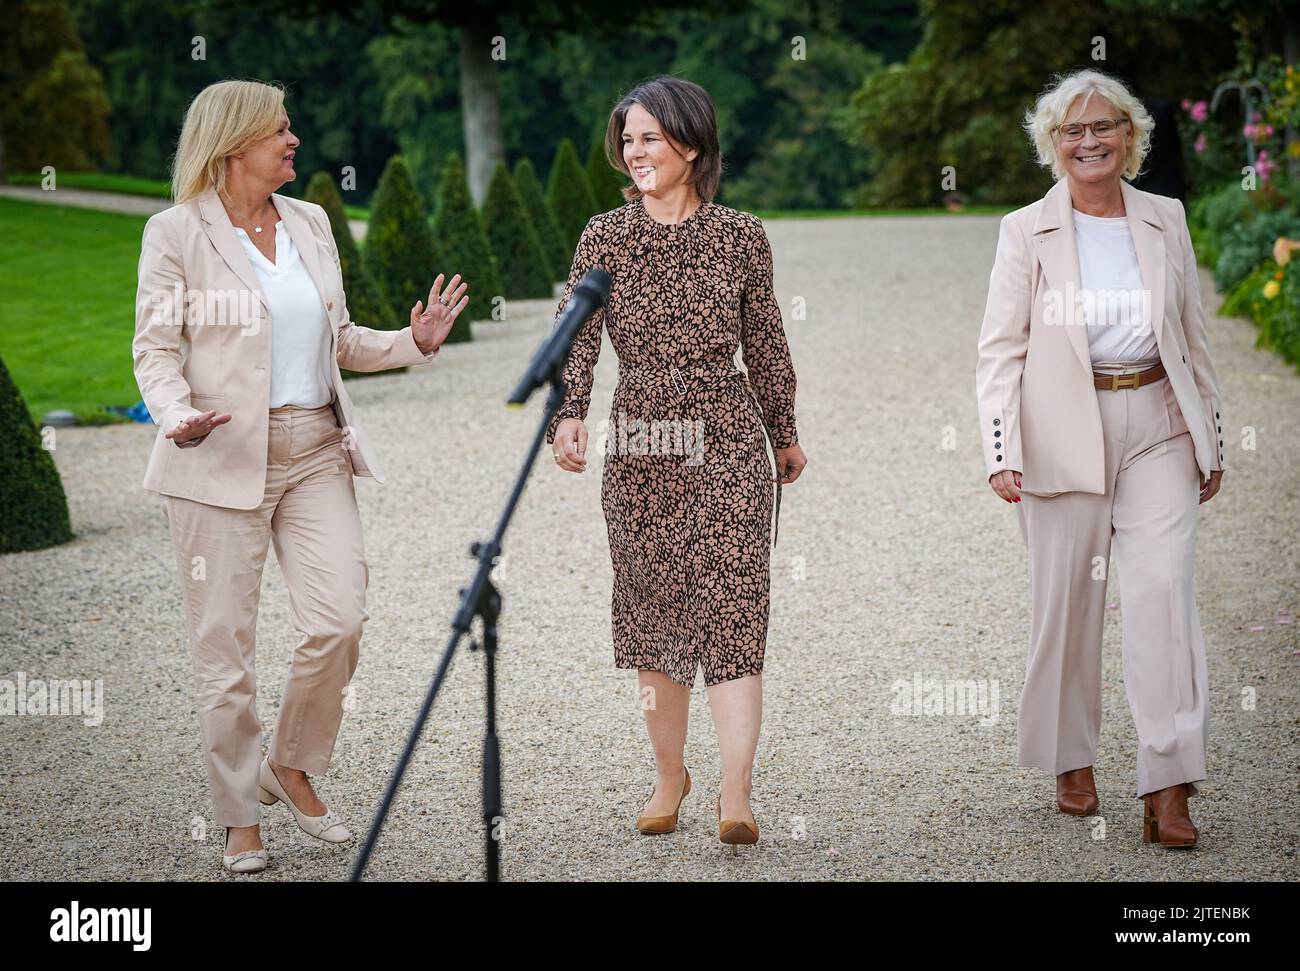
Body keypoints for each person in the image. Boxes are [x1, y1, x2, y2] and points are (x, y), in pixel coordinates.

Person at [133, 79, 467, 872]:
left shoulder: (311, 222)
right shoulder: (175, 232)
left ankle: (291, 761)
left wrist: (411, 342)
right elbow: (154, 347)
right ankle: (238, 815)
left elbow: (339, 337)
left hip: (318, 445)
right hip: (214, 456)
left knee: (339, 617)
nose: (294, 142)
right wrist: (175, 412)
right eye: (280, 132)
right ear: (234, 142)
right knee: (225, 649)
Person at [548, 76, 806, 846]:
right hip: (639, 443)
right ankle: (670, 776)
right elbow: (577, 335)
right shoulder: (605, 235)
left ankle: (736, 790)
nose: (635, 151)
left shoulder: (742, 235)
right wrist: (569, 415)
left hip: (727, 435)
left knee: (733, 605)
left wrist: (782, 429)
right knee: (655, 616)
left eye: (650, 137)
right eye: (627, 139)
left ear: (691, 144)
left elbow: (765, 342)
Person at [976, 68, 1224, 848]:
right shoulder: (1027, 229)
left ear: (1130, 137)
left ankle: (1170, 779)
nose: (1090, 141)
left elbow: (1192, 335)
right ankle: (1069, 755)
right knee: (1067, 607)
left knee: (1163, 597)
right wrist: (999, 446)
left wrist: (1209, 430)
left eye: (1104, 127)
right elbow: (1000, 348)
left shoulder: (1165, 217)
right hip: (1061, 430)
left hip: (1157, 424)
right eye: (1073, 131)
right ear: (1054, 145)